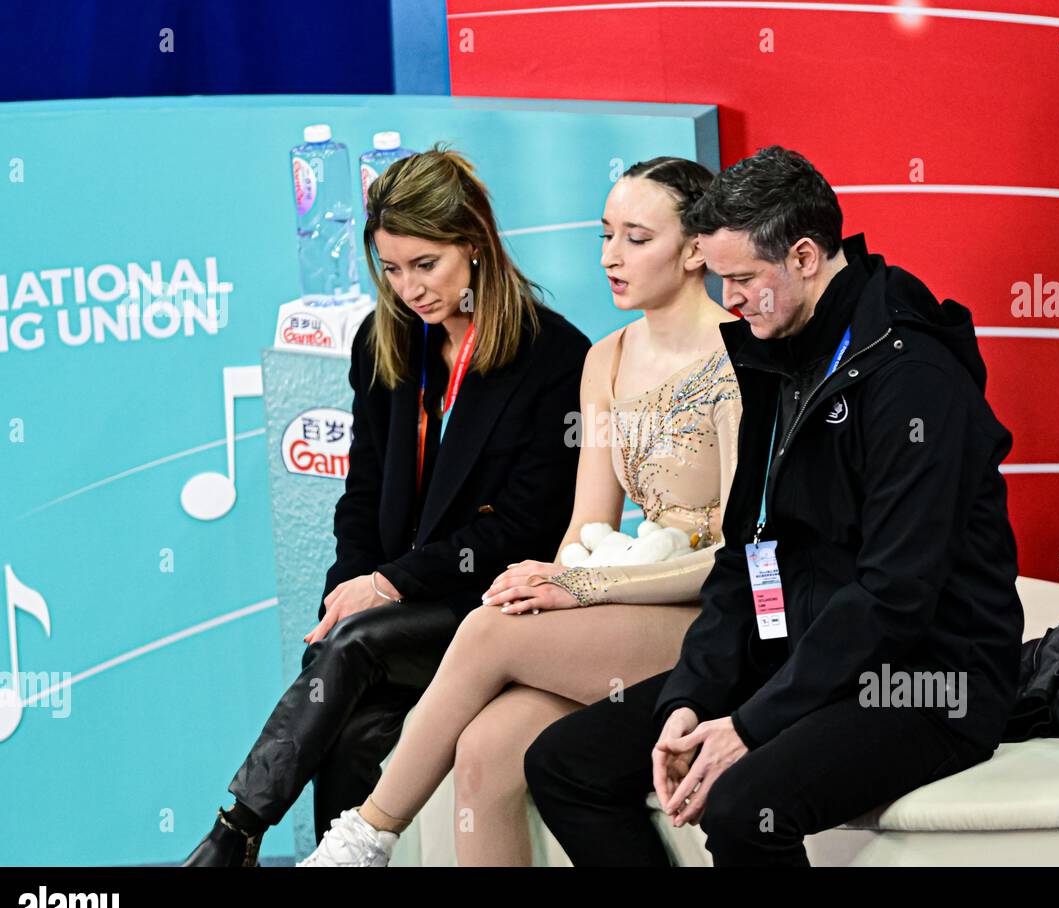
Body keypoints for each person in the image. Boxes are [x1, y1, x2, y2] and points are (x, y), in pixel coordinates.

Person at [523, 145, 1025, 866]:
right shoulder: (771, 350)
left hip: (923, 678)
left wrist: (753, 726)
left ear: (806, 255)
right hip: (798, 654)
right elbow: (743, 555)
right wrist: (689, 701)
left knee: (743, 810)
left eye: (743, 279)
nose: (728, 300)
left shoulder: (913, 378)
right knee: (565, 764)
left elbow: (893, 597)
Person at [296, 156, 743, 866]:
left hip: (715, 617)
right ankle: (363, 836)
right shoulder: (607, 358)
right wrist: (555, 584)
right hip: (627, 600)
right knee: (484, 753)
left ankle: (365, 834)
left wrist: (580, 588)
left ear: (695, 250)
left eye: (635, 238)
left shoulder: (742, 363)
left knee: (488, 630)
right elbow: (585, 529)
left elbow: (741, 559)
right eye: (604, 236)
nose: (610, 258)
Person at [182, 145, 590, 866]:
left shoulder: (553, 356)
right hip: (402, 605)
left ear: (474, 246)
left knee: (355, 647)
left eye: (425, 265)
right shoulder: (386, 341)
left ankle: (234, 834)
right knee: (354, 717)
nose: (409, 288)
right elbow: (363, 493)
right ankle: (251, 839)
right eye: (391, 269)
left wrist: (390, 585)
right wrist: (355, 583)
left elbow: (526, 529)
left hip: (493, 605)